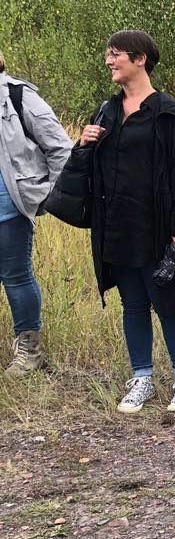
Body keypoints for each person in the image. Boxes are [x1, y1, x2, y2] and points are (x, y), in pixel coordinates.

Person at [77, 30, 175, 413]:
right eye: (108, 54)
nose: (109, 61)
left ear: (140, 58)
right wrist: (83, 143)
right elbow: (90, 170)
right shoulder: (107, 111)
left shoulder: (169, 113)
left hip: (159, 226)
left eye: (115, 55)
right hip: (117, 224)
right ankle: (142, 378)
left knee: (168, 301)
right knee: (132, 304)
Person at [0, 50, 73, 377]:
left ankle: (30, 353)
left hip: (9, 208)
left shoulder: (16, 95)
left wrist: (51, 195)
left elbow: (60, 147)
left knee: (15, 277)